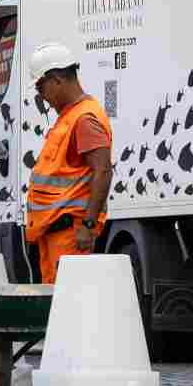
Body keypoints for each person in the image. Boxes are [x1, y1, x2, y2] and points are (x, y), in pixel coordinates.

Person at [25, 43, 113, 284]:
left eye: (41, 88)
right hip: (55, 234)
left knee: (67, 307)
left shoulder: (83, 119)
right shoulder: (70, 116)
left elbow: (103, 171)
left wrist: (88, 224)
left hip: (70, 235)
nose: (41, 97)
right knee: (57, 307)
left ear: (55, 80)